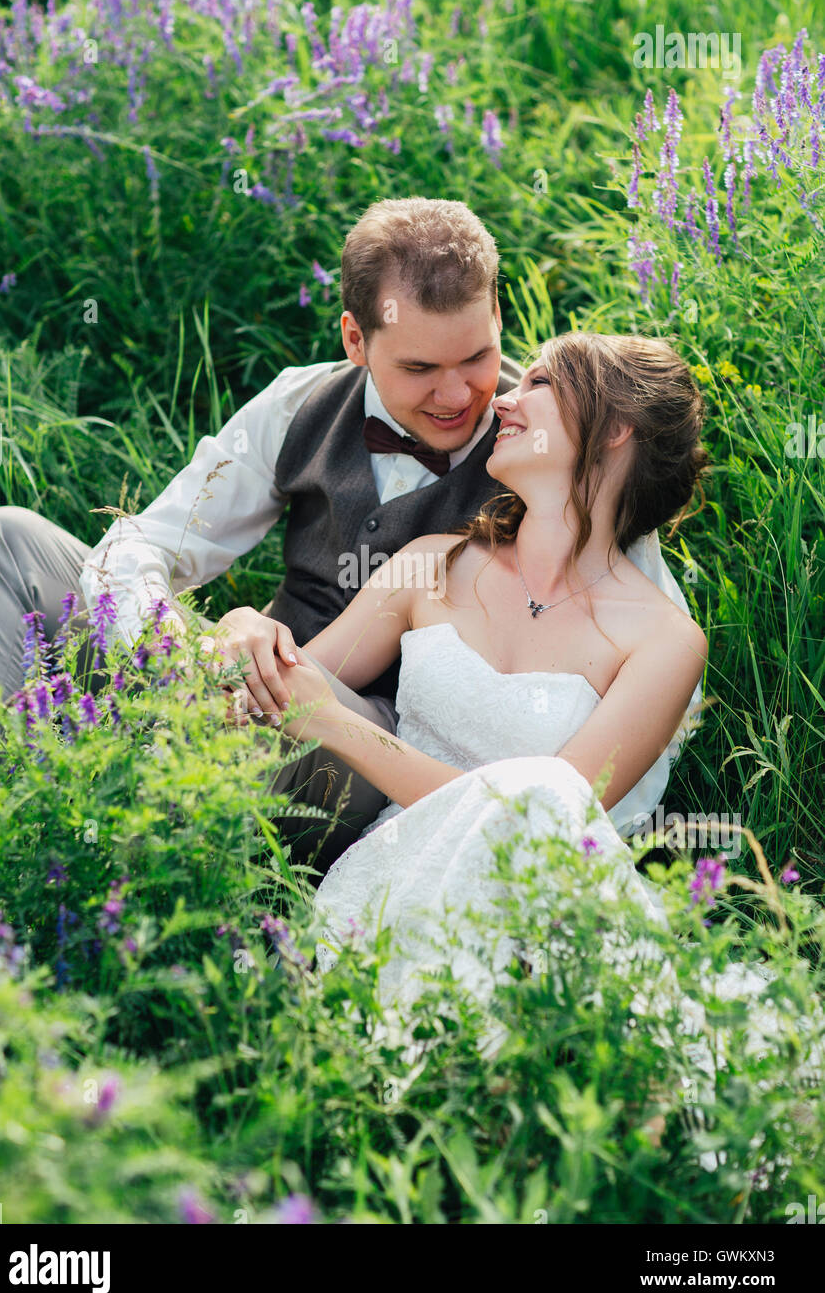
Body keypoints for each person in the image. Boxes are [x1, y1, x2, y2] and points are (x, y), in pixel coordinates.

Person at [0, 201, 693, 871]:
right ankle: (3, 806)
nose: (460, 395)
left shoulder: (541, 443)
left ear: (497, 318)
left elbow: (628, 631)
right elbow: (147, 545)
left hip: (366, 751)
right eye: (418, 367)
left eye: (478, 359)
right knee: (3, 543)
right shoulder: (298, 407)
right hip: (278, 677)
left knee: (265, 727)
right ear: (355, 338)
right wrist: (195, 643)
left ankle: (70, 837)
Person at [258, 330, 712, 1010]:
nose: (503, 399)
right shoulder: (431, 563)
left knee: (546, 789)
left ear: (616, 426)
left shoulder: (666, 640)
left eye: (538, 383)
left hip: (533, 907)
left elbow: (544, 821)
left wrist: (341, 728)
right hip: (390, 880)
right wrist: (244, 628)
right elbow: (293, 678)